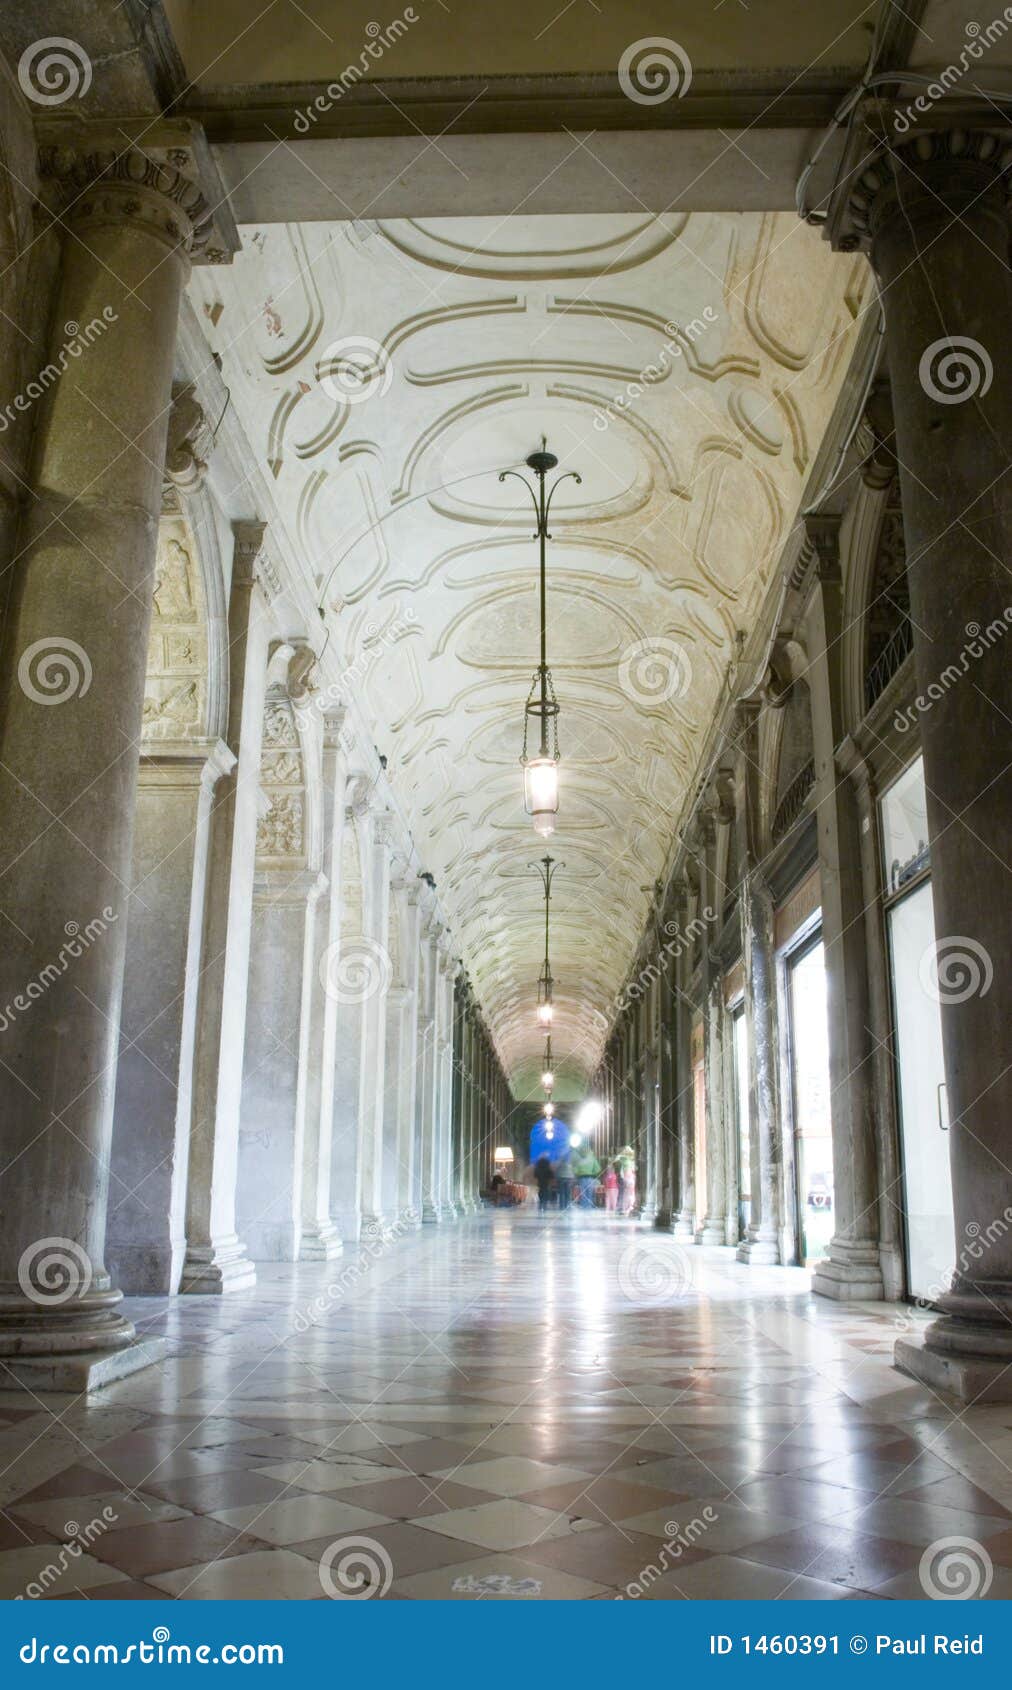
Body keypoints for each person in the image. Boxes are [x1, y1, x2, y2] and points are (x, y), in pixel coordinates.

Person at [571, 1142, 601, 1208]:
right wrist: (592, 1173)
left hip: (581, 1178)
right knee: (590, 1193)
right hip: (590, 1178)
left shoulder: (579, 1159)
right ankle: (589, 1207)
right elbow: (598, 1169)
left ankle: (584, 1206)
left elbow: (575, 1170)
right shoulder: (592, 1158)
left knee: (583, 1194)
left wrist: (578, 1173)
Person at [615, 1145, 636, 1215]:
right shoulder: (628, 1160)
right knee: (628, 1194)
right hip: (629, 1178)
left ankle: (625, 1208)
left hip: (627, 1178)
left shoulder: (624, 1159)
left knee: (626, 1194)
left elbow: (616, 1159)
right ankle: (627, 1208)